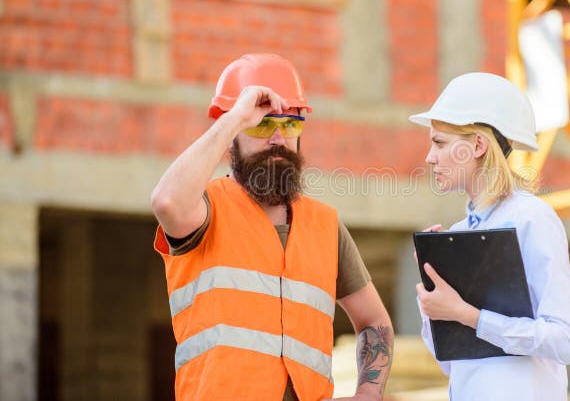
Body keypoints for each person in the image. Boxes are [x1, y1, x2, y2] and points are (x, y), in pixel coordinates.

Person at [150, 53, 394, 401]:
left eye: (290, 124)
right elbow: (166, 203)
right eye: (262, 124)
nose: (278, 138)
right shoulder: (205, 208)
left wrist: (369, 393)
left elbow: (375, 323)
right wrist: (235, 117)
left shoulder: (325, 225)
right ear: (232, 132)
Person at [408, 72, 570, 401]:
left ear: (477, 145)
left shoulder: (531, 218)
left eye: (440, 142)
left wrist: (468, 315)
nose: (430, 156)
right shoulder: (460, 233)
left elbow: (565, 341)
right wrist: (432, 296)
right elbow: (452, 364)